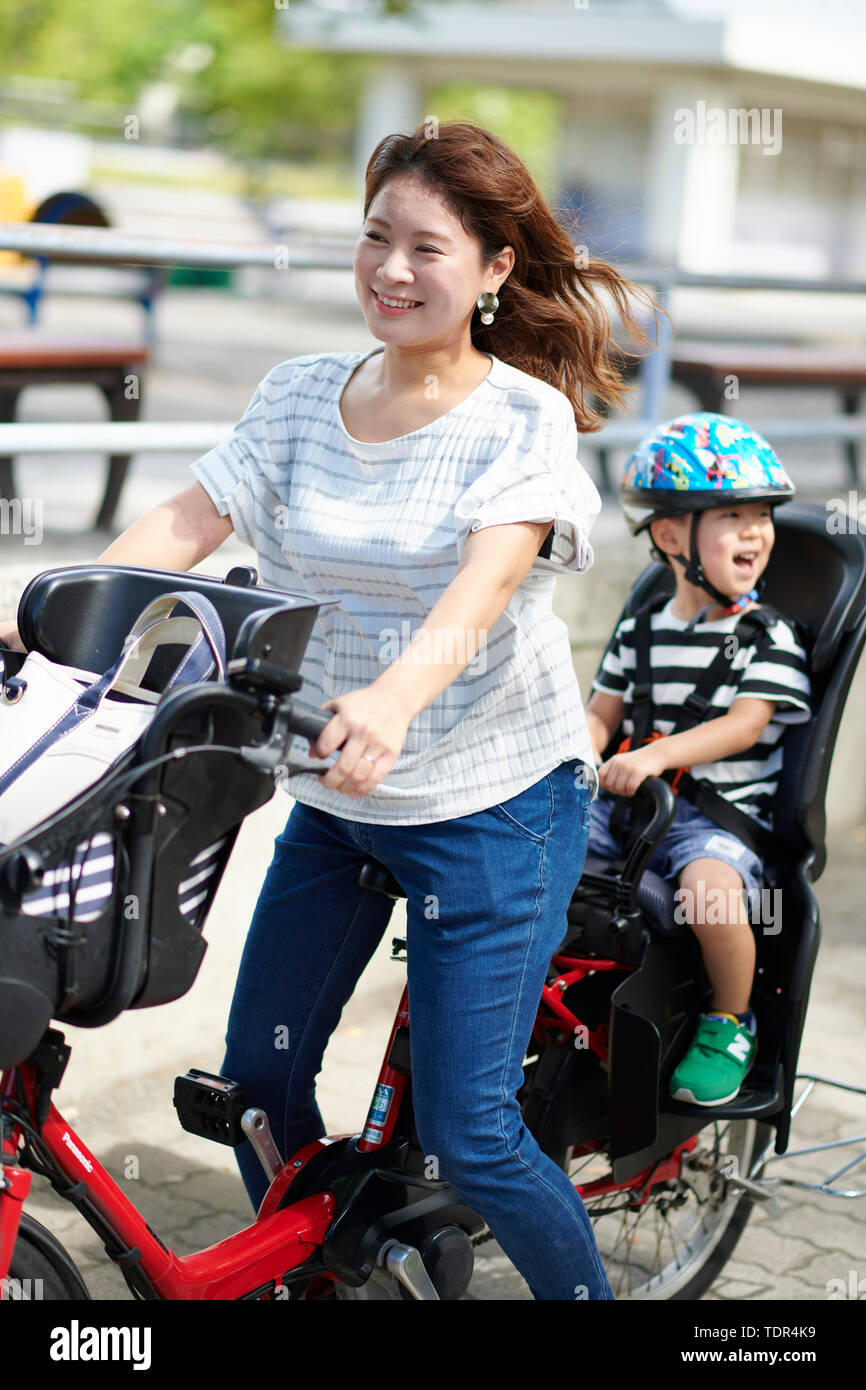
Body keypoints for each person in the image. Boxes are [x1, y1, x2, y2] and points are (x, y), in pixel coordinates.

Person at [0, 122, 655, 1300]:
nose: (390, 271)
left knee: (473, 1133)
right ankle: (326, 1279)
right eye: (373, 237)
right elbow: (189, 528)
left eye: (427, 248)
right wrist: (48, 611)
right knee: (256, 1089)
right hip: (334, 794)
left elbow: (483, 586)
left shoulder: (519, 419)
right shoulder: (302, 394)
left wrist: (397, 697)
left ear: (498, 269)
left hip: (488, 801)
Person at [584, 414, 812, 1107]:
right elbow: (601, 715)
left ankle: (727, 1022)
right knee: (532, 836)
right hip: (627, 808)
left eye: (762, 517)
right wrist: (575, 756)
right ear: (670, 535)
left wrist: (654, 756)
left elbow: (745, 726)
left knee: (710, 892)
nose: (756, 532)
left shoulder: (768, 636)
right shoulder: (641, 627)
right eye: (734, 516)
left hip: (716, 824)